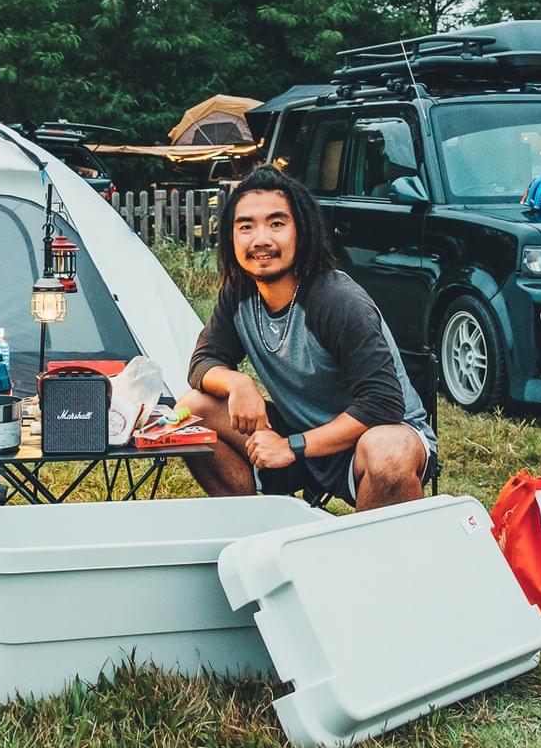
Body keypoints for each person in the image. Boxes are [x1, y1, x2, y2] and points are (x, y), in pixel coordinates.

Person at [179, 166, 436, 510]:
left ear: (302, 231)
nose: (260, 239)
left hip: (369, 438)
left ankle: (373, 545)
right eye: (246, 226)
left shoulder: (337, 301)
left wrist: (292, 446)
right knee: (194, 409)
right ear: (231, 238)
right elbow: (203, 361)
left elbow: (383, 404)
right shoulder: (239, 292)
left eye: (276, 224)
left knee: (389, 450)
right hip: (299, 432)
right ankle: (245, 523)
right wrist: (237, 383)